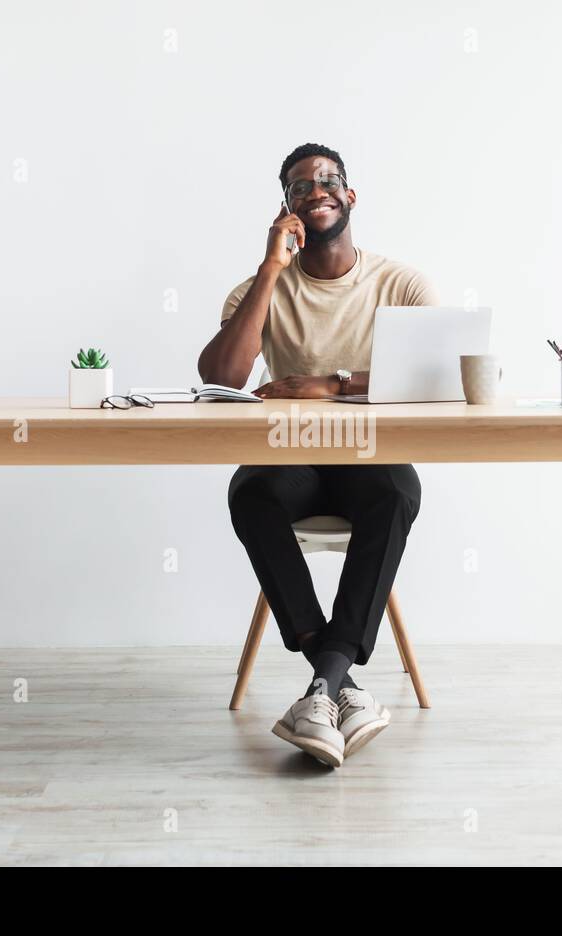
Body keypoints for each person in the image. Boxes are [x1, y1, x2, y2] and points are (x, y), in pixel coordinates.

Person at [197, 143, 438, 767]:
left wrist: (327, 384)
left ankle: (320, 688)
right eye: (301, 186)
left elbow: (435, 377)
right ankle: (338, 685)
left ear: (350, 196)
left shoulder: (401, 284)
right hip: (289, 458)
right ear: (288, 207)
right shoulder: (259, 287)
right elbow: (223, 376)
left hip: (369, 456)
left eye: (329, 181)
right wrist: (271, 270)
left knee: (397, 494)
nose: (317, 190)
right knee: (251, 493)